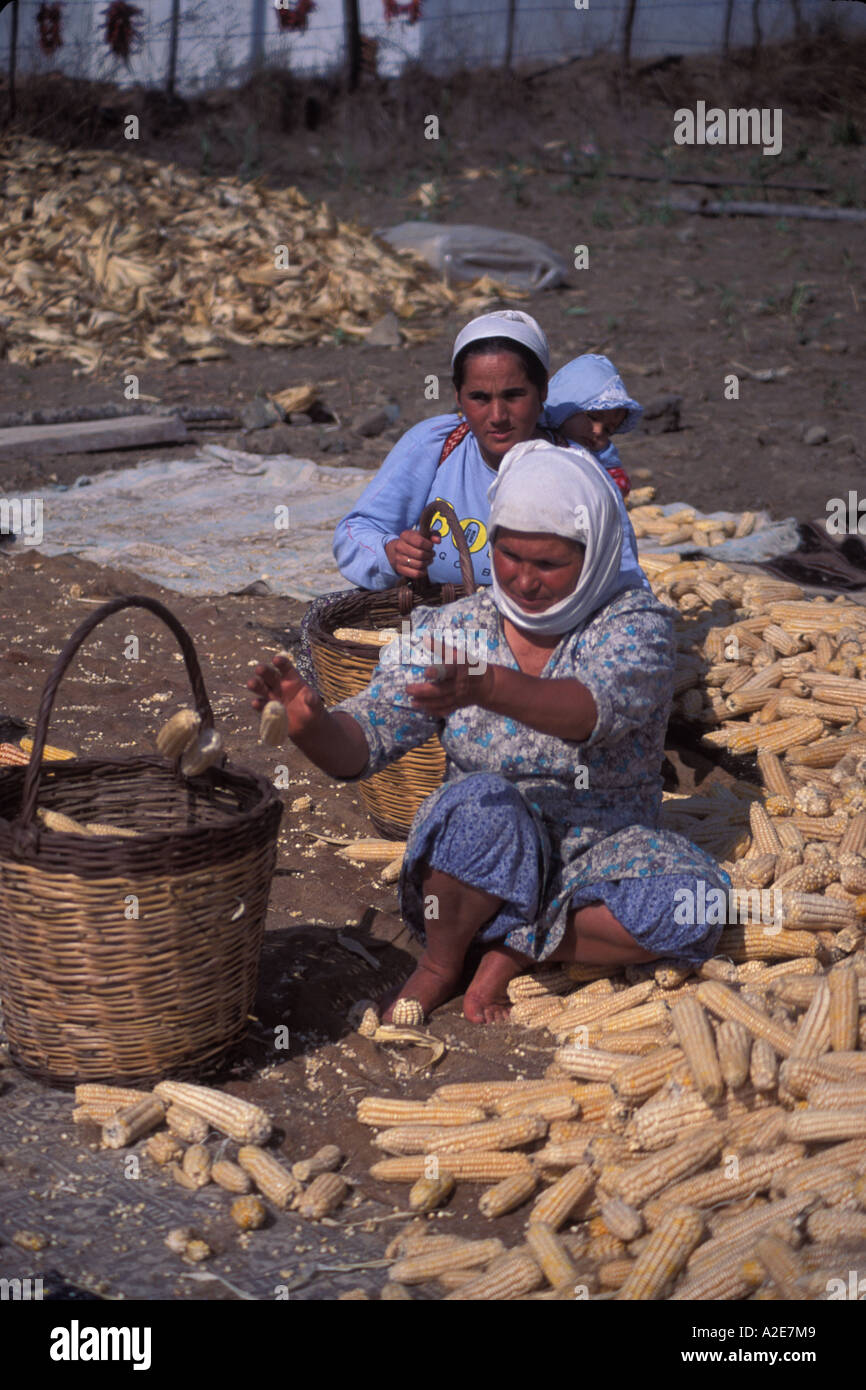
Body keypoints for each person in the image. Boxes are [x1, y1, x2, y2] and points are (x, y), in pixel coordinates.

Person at [249, 440, 729, 1024]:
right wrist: (313, 726)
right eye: (509, 555)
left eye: (548, 563)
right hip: (475, 862)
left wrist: (489, 686)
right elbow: (364, 743)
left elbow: (590, 710)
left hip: (600, 848)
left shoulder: (633, 627)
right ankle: (441, 962)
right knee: (484, 803)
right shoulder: (455, 630)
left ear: (596, 553)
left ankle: (514, 947)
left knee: (696, 905)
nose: (524, 581)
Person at [294, 314, 646, 685]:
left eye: (514, 395)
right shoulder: (434, 446)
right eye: (479, 398)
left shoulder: (580, 473)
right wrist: (390, 553)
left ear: (543, 391)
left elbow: (626, 583)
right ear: (458, 396)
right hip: (437, 625)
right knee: (322, 613)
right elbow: (356, 531)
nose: (497, 416)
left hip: (539, 642)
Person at [543, 353, 644, 498]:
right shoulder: (534, 434)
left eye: (608, 430)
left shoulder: (601, 455)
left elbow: (618, 482)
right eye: (593, 417)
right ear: (566, 409)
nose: (598, 431)